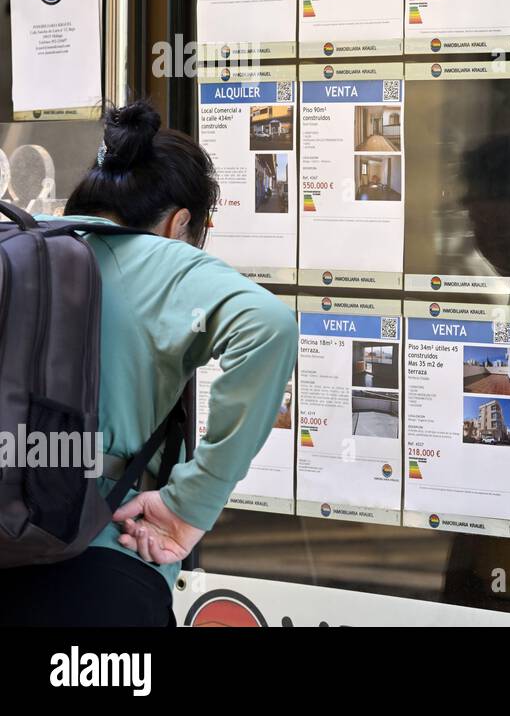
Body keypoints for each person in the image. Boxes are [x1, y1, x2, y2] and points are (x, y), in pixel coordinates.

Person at [0, 101, 298, 626]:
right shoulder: (163, 260)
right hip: (101, 558)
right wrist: (191, 503)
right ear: (181, 222)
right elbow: (268, 328)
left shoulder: (25, 244)